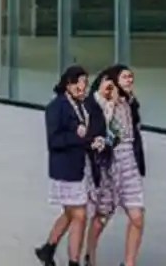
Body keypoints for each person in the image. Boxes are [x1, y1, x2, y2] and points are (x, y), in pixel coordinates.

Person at [34, 65, 106, 266]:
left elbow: (85, 133)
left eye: (85, 84)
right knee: (80, 215)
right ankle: (73, 261)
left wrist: (93, 141)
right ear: (69, 84)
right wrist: (78, 137)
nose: (83, 88)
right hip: (65, 171)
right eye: (80, 83)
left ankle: (48, 249)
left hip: (80, 168)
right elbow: (54, 141)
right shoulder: (57, 107)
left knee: (70, 214)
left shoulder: (80, 106)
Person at [84, 65, 146, 266]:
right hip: (109, 165)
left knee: (137, 217)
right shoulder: (100, 102)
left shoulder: (130, 103)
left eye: (131, 77)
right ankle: (89, 256)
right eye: (125, 77)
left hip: (130, 164)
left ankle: (129, 263)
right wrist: (107, 100)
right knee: (102, 215)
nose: (130, 81)